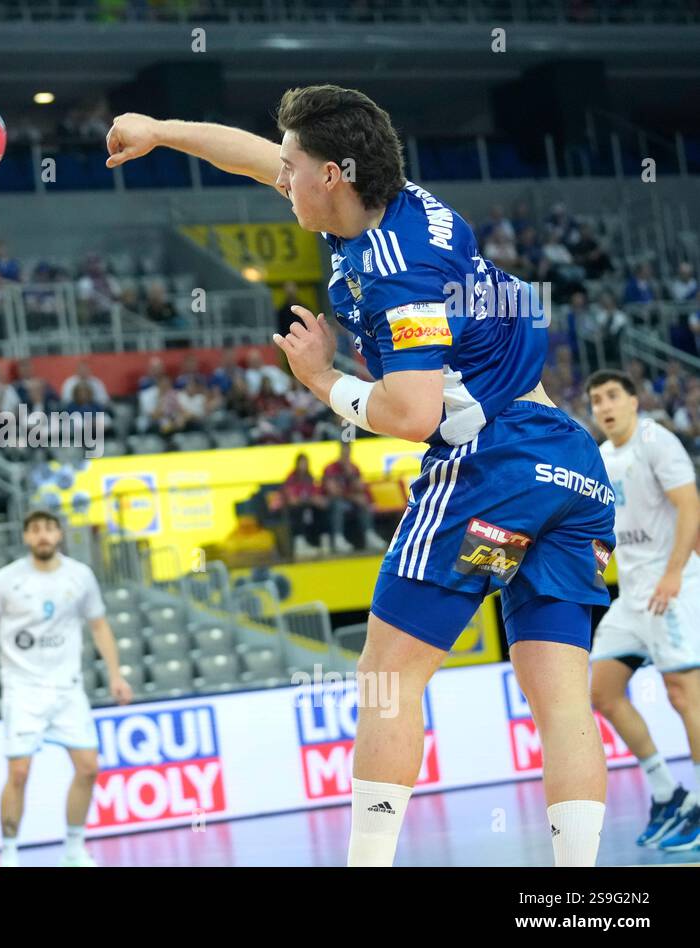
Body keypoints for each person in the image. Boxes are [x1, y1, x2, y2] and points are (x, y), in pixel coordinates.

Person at [107, 88, 616, 867]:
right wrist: (161, 130)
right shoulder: (387, 202)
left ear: (333, 175)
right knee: (561, 700)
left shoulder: (397, 271)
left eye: (293, 166)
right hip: (568, 465)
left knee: (386, 678)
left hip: (494, 465)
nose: (280, 176)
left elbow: (410, 414)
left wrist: (321, 379)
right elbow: (256, 157)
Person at [0, 510, 132, 868]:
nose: (43, 535)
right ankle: (9, 854)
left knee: (89, 768)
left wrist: (116, 675)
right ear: (26, 536)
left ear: (59, 535)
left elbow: (99, 626)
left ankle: (74, 849)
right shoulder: (6, 579)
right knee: (19, 772)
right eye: (36, 529)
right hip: (23, 689)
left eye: (50, 529)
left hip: (68, 688)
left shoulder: (80, 576)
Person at [585, 371, 700, 853]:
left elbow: (690, 507)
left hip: (673, 586)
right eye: (596, 400)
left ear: (633, 401)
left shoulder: (657, 442)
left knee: (685, 695)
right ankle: (668, 793)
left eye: (613, 396)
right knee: (602, 691)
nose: (605, 406)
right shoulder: (601, 457)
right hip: (631, 595)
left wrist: (674, 573)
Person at [322, 442, 386, 554]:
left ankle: (369, 535)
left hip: (350, 501)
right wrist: (352, 497)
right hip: (333, 501)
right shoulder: (330, 468)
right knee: (338, 505)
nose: (345, 457)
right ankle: (338, 538)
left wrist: (351, 475)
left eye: (348, 454)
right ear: (340, 453)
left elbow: (360, 488)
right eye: (344, 454)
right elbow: (333, 492)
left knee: (363, 501)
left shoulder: (353, 468)